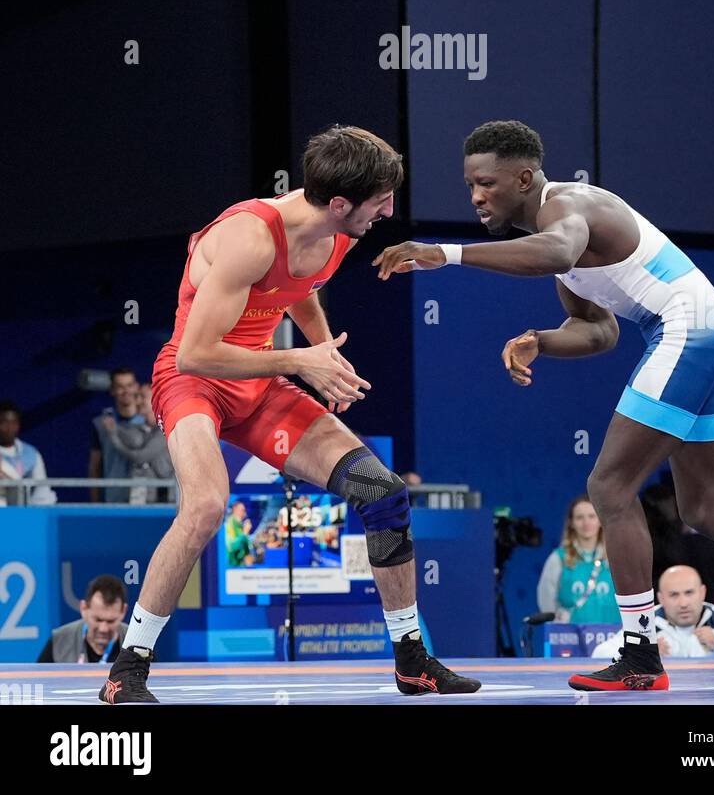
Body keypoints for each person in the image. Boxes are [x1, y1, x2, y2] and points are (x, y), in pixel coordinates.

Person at [375, 119, 714, 692]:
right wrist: (543, 340)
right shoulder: (563, 246)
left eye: (485, 183)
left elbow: (552, 250)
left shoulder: (570, 207)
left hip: (688, 333)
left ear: (525, 178)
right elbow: (599, 331)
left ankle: (638, 654)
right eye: (469, 186)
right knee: (704, 505)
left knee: (609, 488)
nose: (476, 196)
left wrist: (445, 254)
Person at [98, 125, 479, 703]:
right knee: (205, 505)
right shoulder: (248, 238)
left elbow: (302, 286)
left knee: (383, 493)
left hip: (259, 380)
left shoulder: (336, 233)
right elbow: (199, 352)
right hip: (193, 379)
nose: (391, 210)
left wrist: (326, 355)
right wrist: (301, 360)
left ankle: (412, 662)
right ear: (341, 203)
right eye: (382, 200)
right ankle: (127, 670)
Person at [591, 565, 714, 659]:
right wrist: (643, 651)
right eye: (674, 595)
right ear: (661, 598)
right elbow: (599, 654)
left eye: (689, 593)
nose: (683, 603)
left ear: (702, 592)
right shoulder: (646, 621)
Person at [537, 495, 618, 624]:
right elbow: (547, 601)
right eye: (580, 517)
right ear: (571, 523)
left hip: (612, 637)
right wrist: (559, 625)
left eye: (592, 516)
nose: (586, 523)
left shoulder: (616, 557)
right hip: (571, 639)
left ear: (600, 520)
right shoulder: (558, 558)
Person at [101, 382, 175, 504]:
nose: (137, 401)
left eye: (142, 396)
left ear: (157, 399)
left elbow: (139, 457)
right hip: (142, 495)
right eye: (137, 397)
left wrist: (114, 437)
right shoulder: (139, 428)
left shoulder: (167, 429)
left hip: (167, 499)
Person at [37, 575, 128, 663]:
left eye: (111, 621)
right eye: (98, 620)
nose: (103, 629)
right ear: (84, 608)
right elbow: (37, 678)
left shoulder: (137, 644)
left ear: (123, 611)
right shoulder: (59, 641)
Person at [89, 368, 144, 504]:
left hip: (146, 498)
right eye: (120, 387)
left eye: (129, 386)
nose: (126, 391)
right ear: (112, 390)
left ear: (136, 387)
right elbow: (95, 467)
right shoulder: (100, 424)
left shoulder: (152, 421)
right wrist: (95, 503)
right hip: (113, 498)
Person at [0, 400, 57, 505]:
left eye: (13, 423)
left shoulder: (31, 454)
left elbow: (42, 491)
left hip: (22, 516)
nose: (9, 428)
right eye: (4, 422)